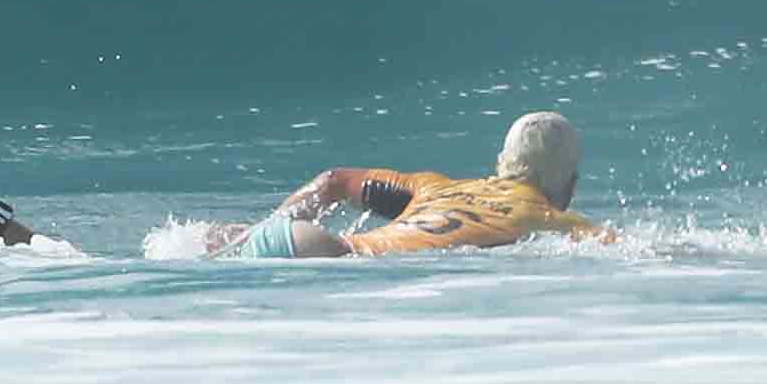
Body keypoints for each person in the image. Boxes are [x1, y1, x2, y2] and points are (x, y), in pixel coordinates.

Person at [202, 110, 602, 261]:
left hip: (294, 237)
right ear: (569, 182)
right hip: (330, 259)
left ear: (501, 164)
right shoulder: (556, 222)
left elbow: (334, 181)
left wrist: (266, 228)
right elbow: (637, 253)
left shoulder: (433, 186)